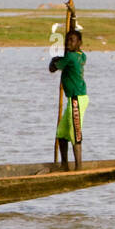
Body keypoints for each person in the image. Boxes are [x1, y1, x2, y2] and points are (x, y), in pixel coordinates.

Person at [49, 29, 87, 170]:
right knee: (61, 134)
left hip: (77, 98)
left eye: (72, 40)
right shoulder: (81, 55)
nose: (68, 43)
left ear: (79, 43)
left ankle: (79, 168)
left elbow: (52, 69)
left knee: (74, 133)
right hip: (73, 99)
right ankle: (65, 165)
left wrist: (54, 60)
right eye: (67, 40)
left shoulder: (71, 57)